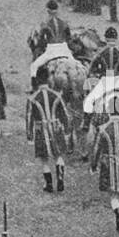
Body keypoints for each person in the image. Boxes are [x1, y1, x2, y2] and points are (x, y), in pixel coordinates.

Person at [25, 66, 73, 194]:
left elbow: (29, 117)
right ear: (47, 78)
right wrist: (67, 128)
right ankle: (61, 178)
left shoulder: (32, 98)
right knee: (59, 155)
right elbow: (64, 113)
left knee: (44, 159)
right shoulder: (56, 95)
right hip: (56, 127)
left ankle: (49, 184)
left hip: (41, 129)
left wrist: (29, 135)